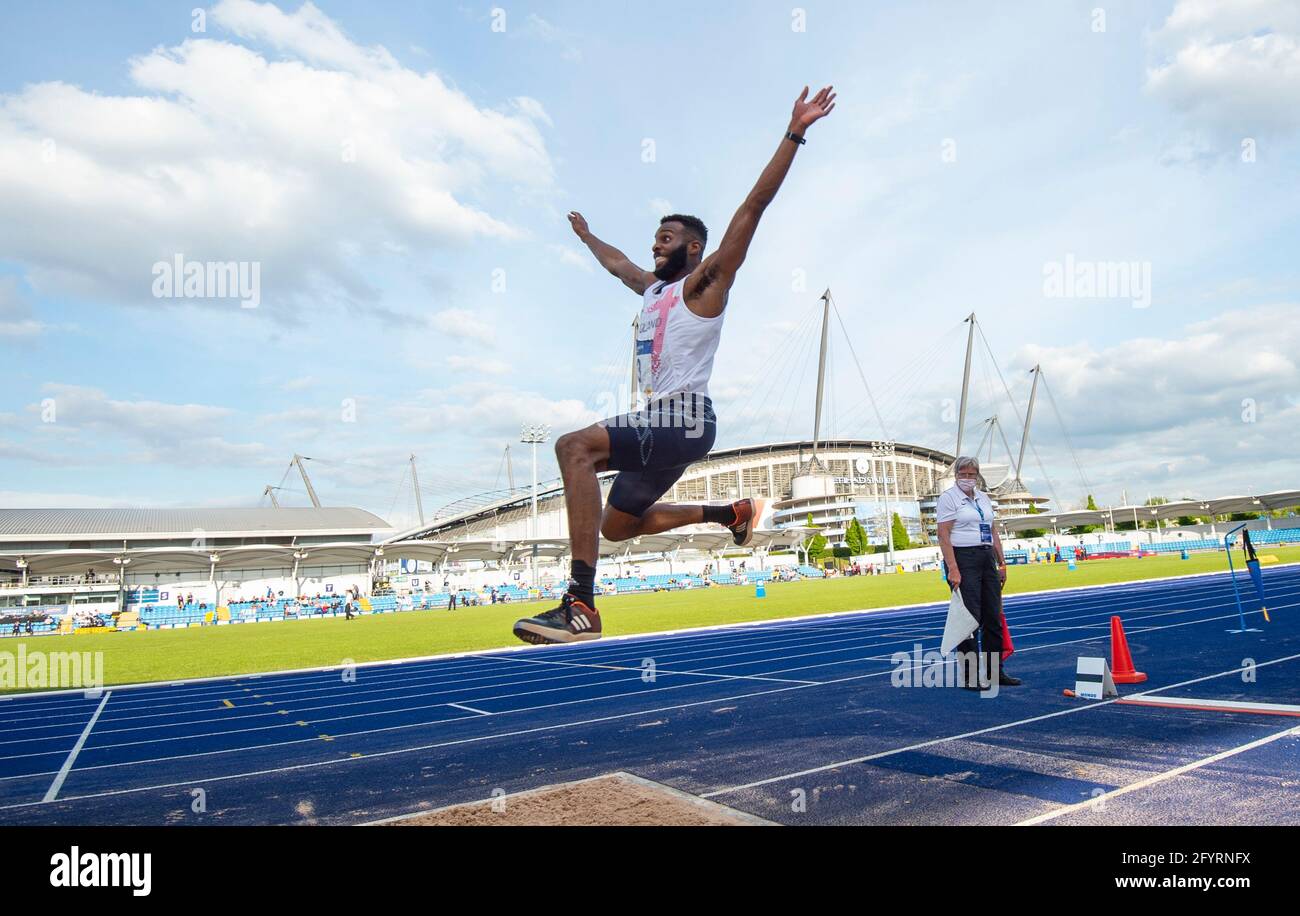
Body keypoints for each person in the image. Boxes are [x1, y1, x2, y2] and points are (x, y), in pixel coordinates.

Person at [511, 86, 838, 645]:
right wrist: (588, 236)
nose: (655, 248)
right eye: (654, 240)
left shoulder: (706, 283)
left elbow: (752, 207)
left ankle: (579, 603)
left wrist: (794, 133)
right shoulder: (651, 290)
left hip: (685, 418)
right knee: (616, 527)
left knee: (573, 447)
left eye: (666, 240)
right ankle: (728, 513)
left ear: (693, 250)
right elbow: (619, 266)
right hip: (665, 427)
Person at [936, 456, 1020, 690]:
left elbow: (992, 530)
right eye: (963, 473)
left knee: (993, 617)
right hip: (963, 558)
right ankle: (970, 676)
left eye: (972, 474)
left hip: (986, 558)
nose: (967, 477)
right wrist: (953, 568)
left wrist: (1001, 563)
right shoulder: (949, 498)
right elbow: (943, 534)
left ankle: (995, 673)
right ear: (956, 475)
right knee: (969, 620)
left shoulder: (983, 498)